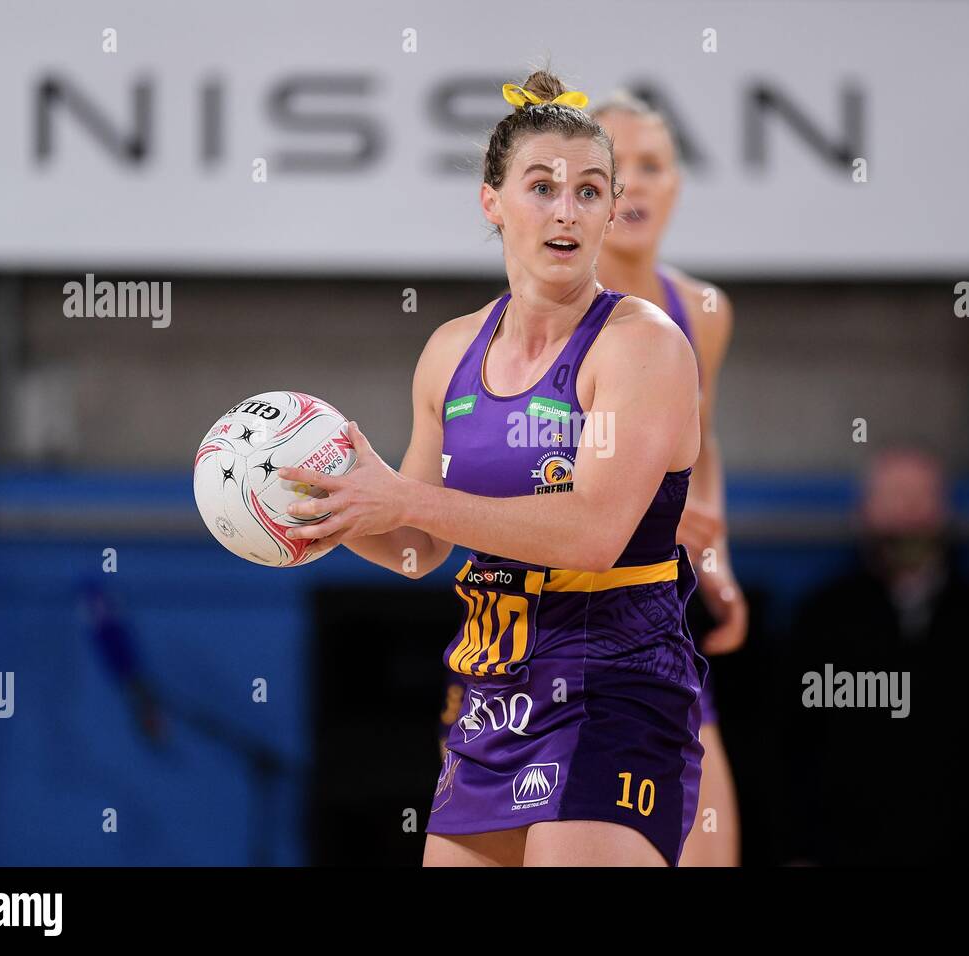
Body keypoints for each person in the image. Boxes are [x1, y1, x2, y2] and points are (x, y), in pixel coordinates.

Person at [278, 69, 707, 867]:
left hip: (613, 686)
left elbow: (592, 535)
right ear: (492, 201)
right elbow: (417, 549)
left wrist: (406, 496)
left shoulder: (641, 345)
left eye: (589, 191)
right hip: (492, 698)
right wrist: (324, 514)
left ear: (613, 210)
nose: (565, 210)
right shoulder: (450, 351)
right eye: (541, 186)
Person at [775, 447, 969, 865]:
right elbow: (779, 740)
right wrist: (799, 845)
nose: (905, 517)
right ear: (865, 512)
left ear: (943, 512)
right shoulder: (823, 619)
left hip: (960, 856)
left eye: (919, 499)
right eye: (893, 499)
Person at [590, 90, 746, 866]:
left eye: (652, 167)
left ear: (678, 183)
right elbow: (527, 464)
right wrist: (654, 508)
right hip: (567, 622)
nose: (635, 187)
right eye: (614, 172)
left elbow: (701, 441)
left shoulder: (702, 308)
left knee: (709, 844)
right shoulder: (555, 310)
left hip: (662, 615)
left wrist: (714, 558)